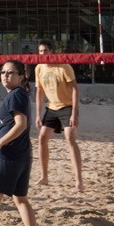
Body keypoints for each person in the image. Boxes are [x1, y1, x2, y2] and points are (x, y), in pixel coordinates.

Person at [0, 60, 42, 226]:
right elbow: (12, 124)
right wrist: (0, 134)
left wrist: (0, 142)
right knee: (21, 199)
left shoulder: (16, 95)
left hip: (8, 155)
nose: (5, 75)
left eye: (10, 72)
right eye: (2, 72)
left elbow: (21, 125)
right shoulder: (20, 94)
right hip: (22, 154)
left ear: (21, 76)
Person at [34, 41, 84, 193]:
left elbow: (75, 89)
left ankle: (79, 182)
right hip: (52, 107)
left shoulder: (64, 66)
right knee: (42, 138)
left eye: (45, 51)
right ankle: (44, 177)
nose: (42, 54)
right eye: (40, 51)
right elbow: (39, 92)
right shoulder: (39, 68)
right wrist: (38, 114)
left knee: (69, 138)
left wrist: (74, 112)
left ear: (52, 51)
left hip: (67, 106)